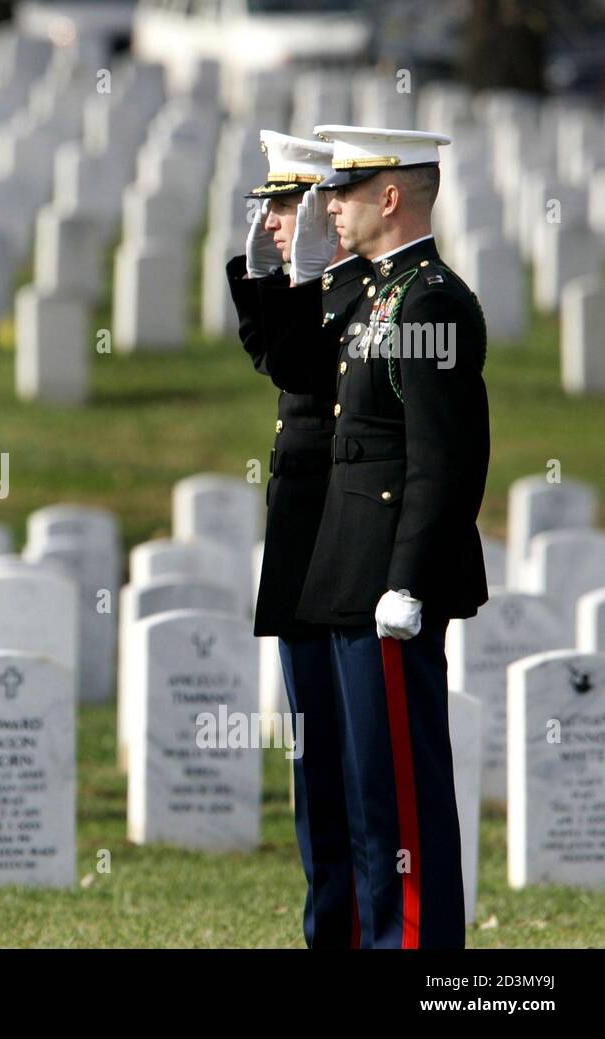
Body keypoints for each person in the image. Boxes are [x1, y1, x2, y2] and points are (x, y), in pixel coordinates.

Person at [259, 126, 490, 949]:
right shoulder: (378, 294)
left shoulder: (429, 302)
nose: (329, 203)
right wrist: (269, 270)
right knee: (352, 792)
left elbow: (446, 457)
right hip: (342, 571)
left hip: (386, 579)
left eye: (346, 191)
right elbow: (291, 364)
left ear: (390, 198)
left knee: (398, 801)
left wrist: (412, 579)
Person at [226, 130, 373, 948]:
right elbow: (270, 354)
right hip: (300, 554)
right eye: (272, 207)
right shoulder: (313, 293)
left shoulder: (362, 297)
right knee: (316, 777)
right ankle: (331, 930)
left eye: (287, 207)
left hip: (341, 553)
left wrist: (301, 277)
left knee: (357, 778)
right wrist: (264, 276)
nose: (275, 223)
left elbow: (300, 365)